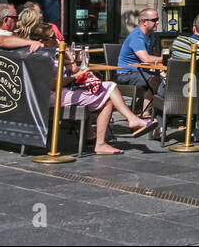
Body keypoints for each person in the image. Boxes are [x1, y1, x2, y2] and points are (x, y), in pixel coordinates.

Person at [14, 13, 154, 154]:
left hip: (59, 93)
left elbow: (73, 67)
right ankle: (127, 122)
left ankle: (100, 140)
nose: (57, 39)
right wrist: (76, 77)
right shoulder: (40, 57)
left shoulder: (50, 52)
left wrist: (68, 54)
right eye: (53, 37)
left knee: (109, 96)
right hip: (50, 97)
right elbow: (52, 85)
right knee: (110, 88)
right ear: (41, 41)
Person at [117, 8, 164, 118]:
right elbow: (146, 59)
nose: (157, 22)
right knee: (154, 81)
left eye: (158, 19)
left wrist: (160, 68)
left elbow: (152, 56)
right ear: (144, 22)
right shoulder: (136, 36)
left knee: (164, 79)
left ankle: (143, 109)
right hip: (126, 74)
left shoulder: (151, 35)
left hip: (141, 71)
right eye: (154, 20)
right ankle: (147, 112)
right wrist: (163, 58)